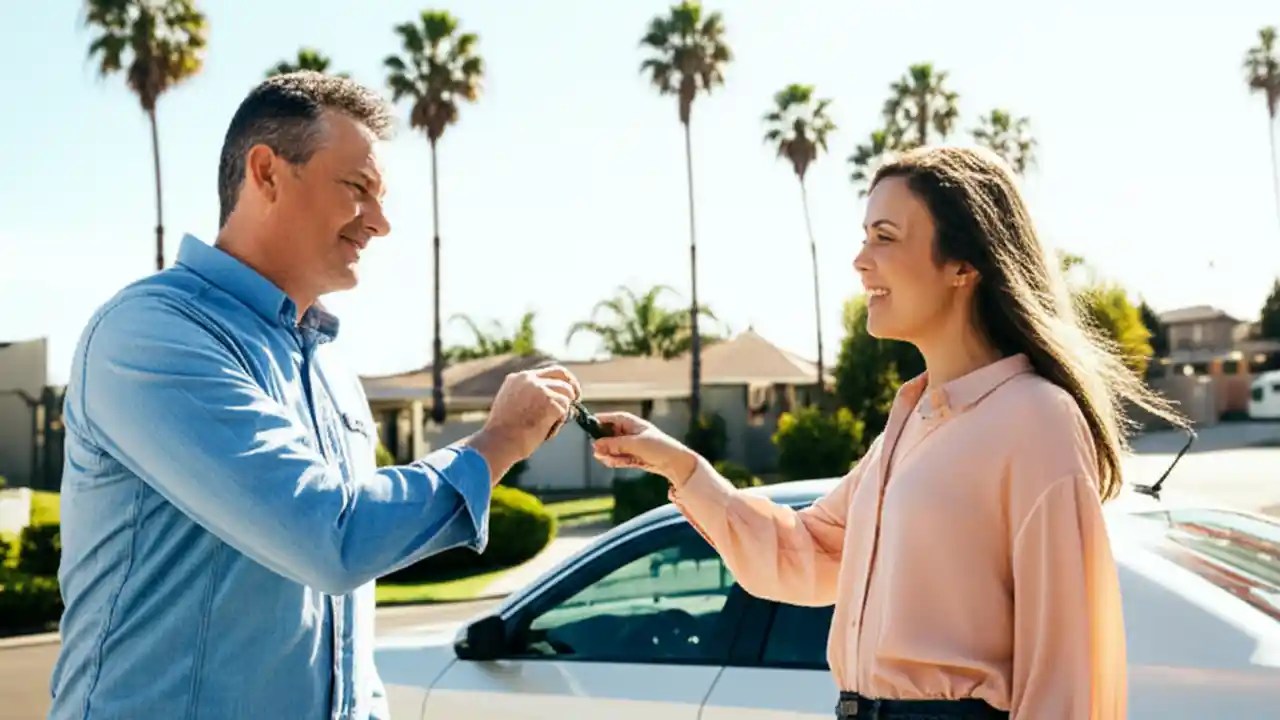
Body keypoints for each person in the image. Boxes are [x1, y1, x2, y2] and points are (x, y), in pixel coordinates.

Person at [49, 72, 581, 719]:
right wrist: (498, 443)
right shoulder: (152, 335)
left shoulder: (328, 363)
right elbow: (332, 540)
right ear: (268, 173)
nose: (380, 224)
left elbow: (340, 628)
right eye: (358, 190)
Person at [593, 145, 1186, 720]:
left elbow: (1067, 664)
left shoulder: (1036, 418)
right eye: (864, 236)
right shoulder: (912, 420)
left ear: (963, 265)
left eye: (885, 236)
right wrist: (679, 466)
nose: (860, 260)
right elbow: (805, 553)